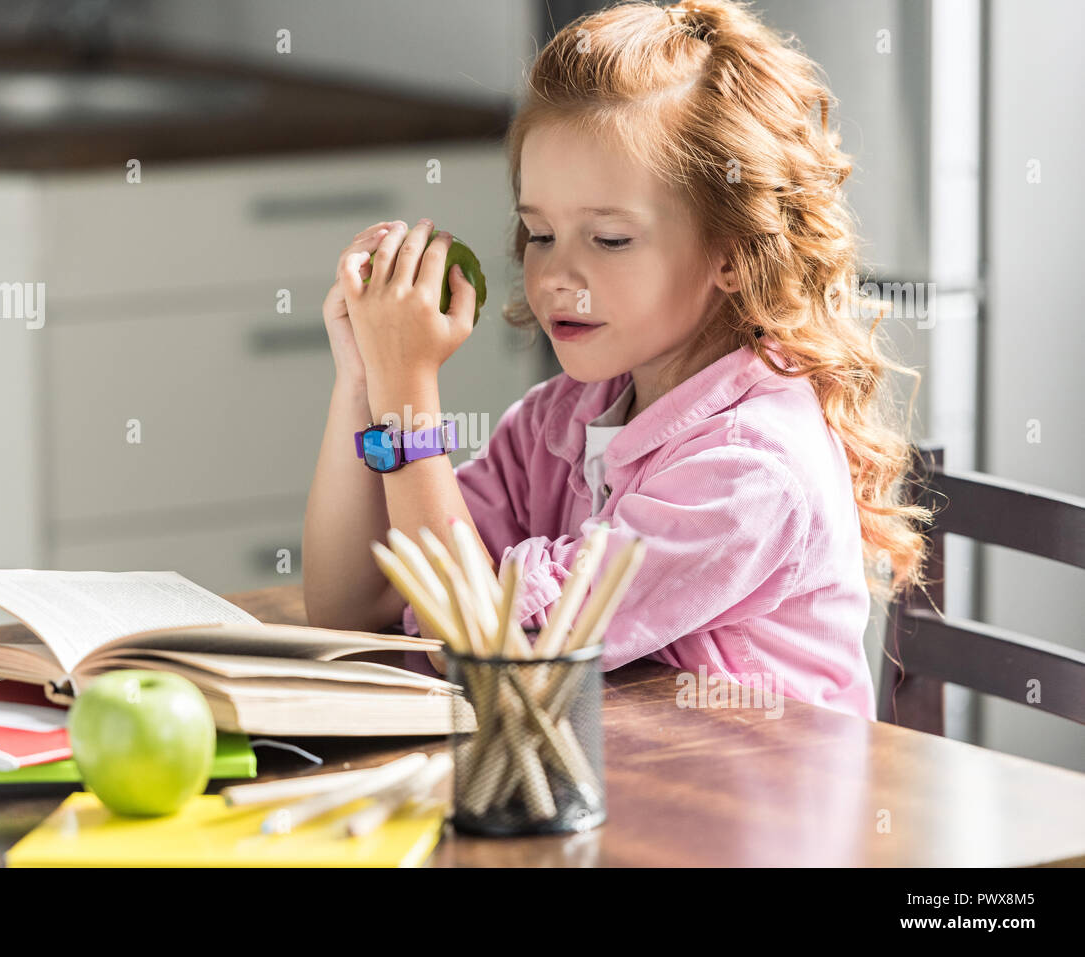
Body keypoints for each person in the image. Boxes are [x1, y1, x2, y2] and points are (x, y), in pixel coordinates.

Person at [303, 0, 933, 721]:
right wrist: (364, 377)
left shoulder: (750, 472)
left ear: (731, 252)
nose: (555, 278)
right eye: (539, 234)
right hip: (624, 803)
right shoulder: (561, 421)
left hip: (755, 825)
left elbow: (491, 653)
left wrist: (408, 392)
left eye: (608, 239)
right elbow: (355, 604)